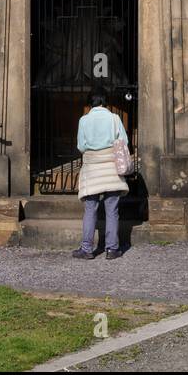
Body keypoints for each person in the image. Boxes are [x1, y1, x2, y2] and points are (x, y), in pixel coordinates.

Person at [72, 90, 130, 260]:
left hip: (92, 169)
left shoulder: (84, 120)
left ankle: (87, 249)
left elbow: (81, 146)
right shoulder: (114, 118)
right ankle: (112, 249)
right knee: (112, 209)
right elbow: (124, 142)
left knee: (90, 209)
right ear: (105, 103)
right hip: (111, 168)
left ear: (90, 104)